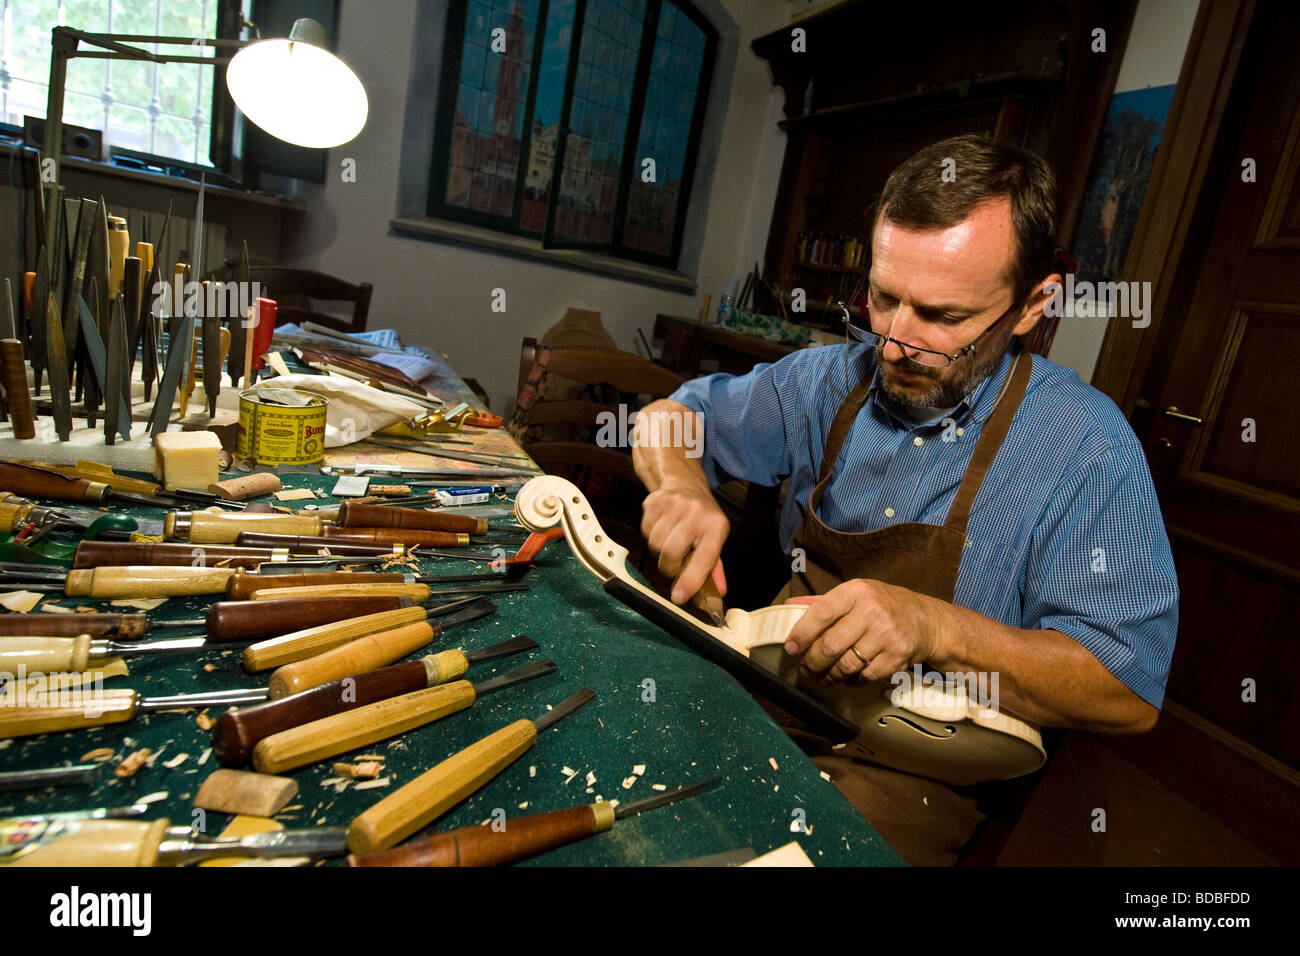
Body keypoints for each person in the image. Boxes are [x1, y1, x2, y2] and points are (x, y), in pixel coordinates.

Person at [631, 134, 1179, 865]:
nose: (893, 343)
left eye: (944, 317)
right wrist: (682, 486)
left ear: (1032, 305)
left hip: (915, 767)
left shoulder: (1086, 449)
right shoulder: (828, 380)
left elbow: (1126, 692)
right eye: (884, 299)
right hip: (774, 694)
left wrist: (935, 627)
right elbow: (671, 417)